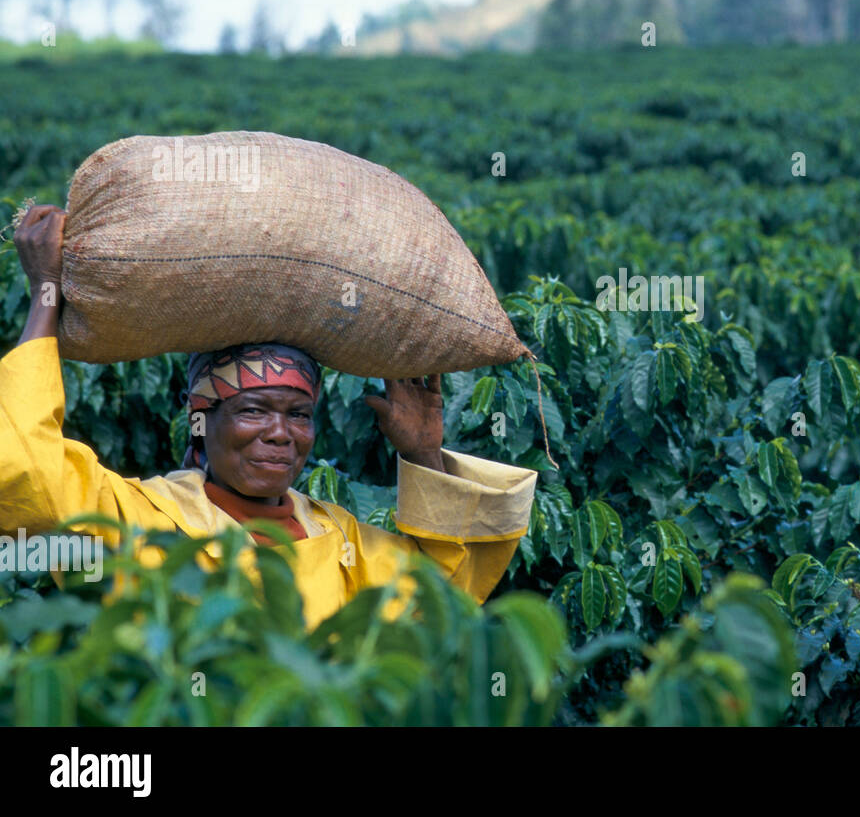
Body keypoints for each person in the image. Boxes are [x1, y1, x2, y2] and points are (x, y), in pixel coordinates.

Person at [0, 205, 536, 629]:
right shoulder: (137, 520)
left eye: (299, 415)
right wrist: (45, 293)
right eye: (253, 410)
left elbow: (438, 597)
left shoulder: (338, 536)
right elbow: (22, 472)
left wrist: (421, 451)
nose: (281, 434)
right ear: (200, 421)